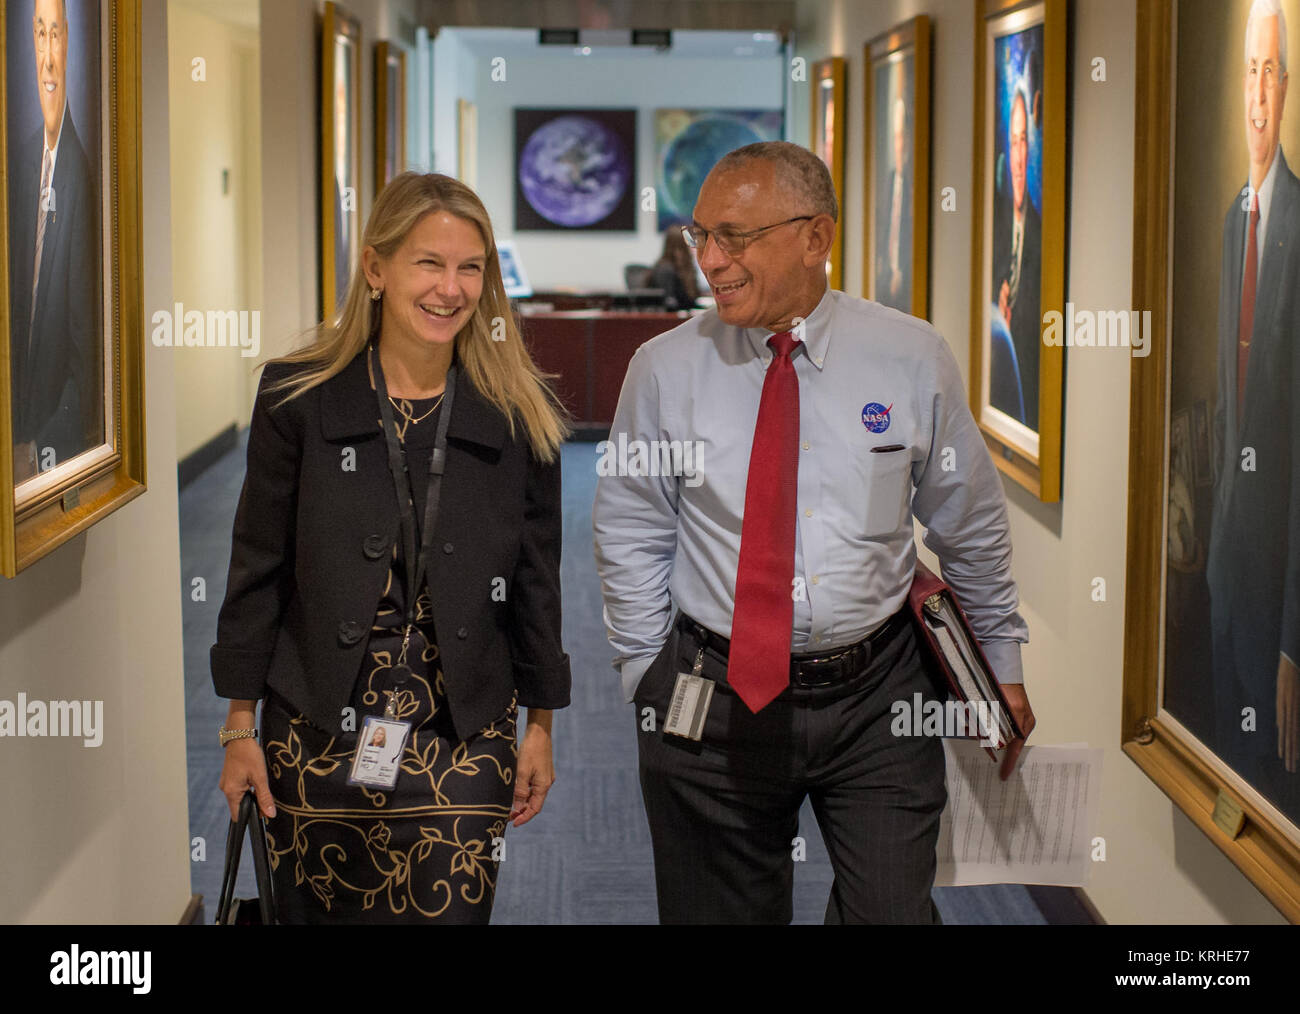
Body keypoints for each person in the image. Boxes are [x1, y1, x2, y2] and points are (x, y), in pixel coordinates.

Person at [592, 141, 1033, 924]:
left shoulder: (909, 357)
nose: (710, 261)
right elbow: (631, 523)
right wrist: (643, 672)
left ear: (815, 237)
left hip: (877, 696)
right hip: (712, 695)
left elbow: (968, 522)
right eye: (701, 236)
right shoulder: (662, 369)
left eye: (734, 236)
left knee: (892, 912)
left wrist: (1000, 659)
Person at [212, 172, 572, 923]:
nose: (452, 288)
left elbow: (538, 582)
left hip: (461, 732)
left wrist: (540, 726)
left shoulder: (516, 413)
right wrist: (240, 728)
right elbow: (257, 570)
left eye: (471, 267)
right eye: (428, 264)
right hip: (313, 721)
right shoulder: (298, 399)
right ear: (376, 269)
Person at [1207, 0, 1300, 815]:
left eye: (1273, 69)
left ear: (1289, 86)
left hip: (1281, 609)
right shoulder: (1232, 222)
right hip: (1223, 588)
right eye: (1249, 70)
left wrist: (1294, 643)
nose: (1259, 91)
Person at [10, 0, 99, 482]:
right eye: (40, 35)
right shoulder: (20, 166)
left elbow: (86, 363)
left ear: (69, 42)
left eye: (57, 37)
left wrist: (39, 448)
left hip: (44, 458)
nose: (48, 57)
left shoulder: (81, 183)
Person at [989, 77, 1042, 431]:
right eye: (1013, 141)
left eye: (1025, 141)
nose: (1019, 157)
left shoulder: (1040, 233)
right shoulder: (997, 221)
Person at [875, 89, 912, 312]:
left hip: (905, 283)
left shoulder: (912, 184)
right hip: (886, 279)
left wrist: (901, 270)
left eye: (902, 136)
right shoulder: (889, 181)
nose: (899, 145)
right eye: (895, 137)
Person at [649, 228, 699, 311]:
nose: (692, 247)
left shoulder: (686, 268)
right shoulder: (665, 269)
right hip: (670, 320)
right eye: (690, 243)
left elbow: (692, 299)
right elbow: (669, 303)